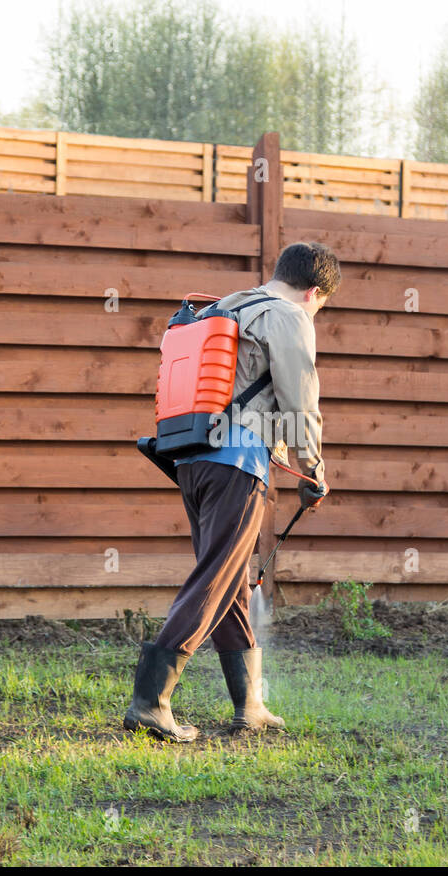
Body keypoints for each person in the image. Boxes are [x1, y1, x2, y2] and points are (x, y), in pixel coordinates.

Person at [123, 241, 340, 742]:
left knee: (231, 585)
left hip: (192, 459)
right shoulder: (289, 316)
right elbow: (301, 402)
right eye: (321, 306)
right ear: (313, 292)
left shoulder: (225, 306)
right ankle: (150, 700)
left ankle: (250, 705)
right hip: (237, 463)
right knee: (217, 578)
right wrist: (313, 471)